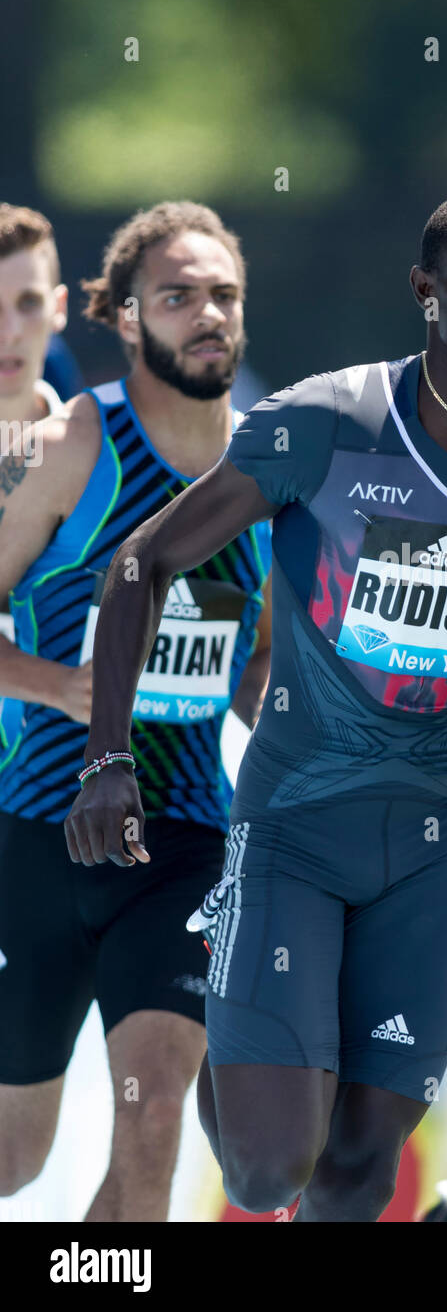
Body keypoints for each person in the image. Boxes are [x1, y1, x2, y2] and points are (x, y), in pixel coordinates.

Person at [64, 185, 447, 1222]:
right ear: (425, 291)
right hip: (296, 828)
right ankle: (234, 963)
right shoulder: (325, 424)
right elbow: (139, 566)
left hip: (435, 844)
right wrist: (108, 759)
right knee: (270, 1169)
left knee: (358, 1177)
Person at [0, 201, 272, 1221]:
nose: (206, 315)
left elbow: (260, 667)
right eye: (177, 297)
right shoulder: (75, 446)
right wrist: (59, 687)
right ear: (124, 318)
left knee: (154, 1114)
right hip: (39, 829)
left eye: (223, 295)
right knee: (16, 1155)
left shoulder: (266, 467)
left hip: (190, 839)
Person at [0, 205, 67, 771]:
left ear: (59, 308)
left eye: (28, 303)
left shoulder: (108, 461)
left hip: (59, 797)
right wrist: (63, 688)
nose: (9, 332)